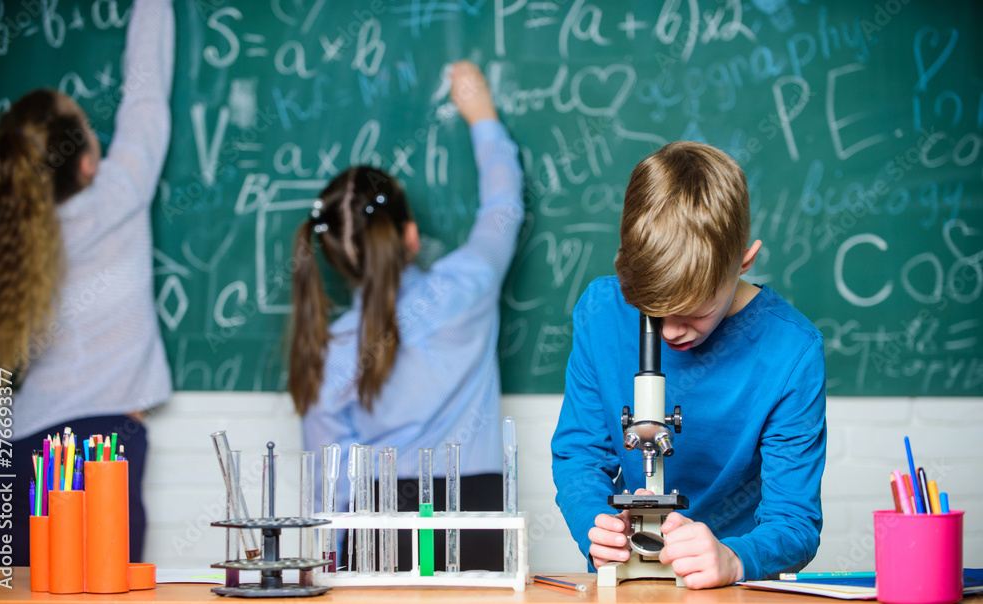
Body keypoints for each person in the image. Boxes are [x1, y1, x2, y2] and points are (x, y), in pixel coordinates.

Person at [551, 141, 827, 589]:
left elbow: (794, 522)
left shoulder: (791, 350)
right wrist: (596, 526)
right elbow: (580, 454)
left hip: (728, 586)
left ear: (744, 261)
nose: (670, 332)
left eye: (694, 311)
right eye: (653, 311)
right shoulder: (601, 312)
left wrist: (736, 558)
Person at [291, 61, 524, 571]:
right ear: (410, 235)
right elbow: (503, 206)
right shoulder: (466, 289)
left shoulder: (333, 350)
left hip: (379, 527)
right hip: (478, 518)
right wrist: (480, 114)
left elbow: (332, 487)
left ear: (336, 260)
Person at [0, 0, 174, 565]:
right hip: (99, 453)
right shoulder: (119, 195)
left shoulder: (0, 235)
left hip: (15, 456)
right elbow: (146, 91)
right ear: (86, 163)